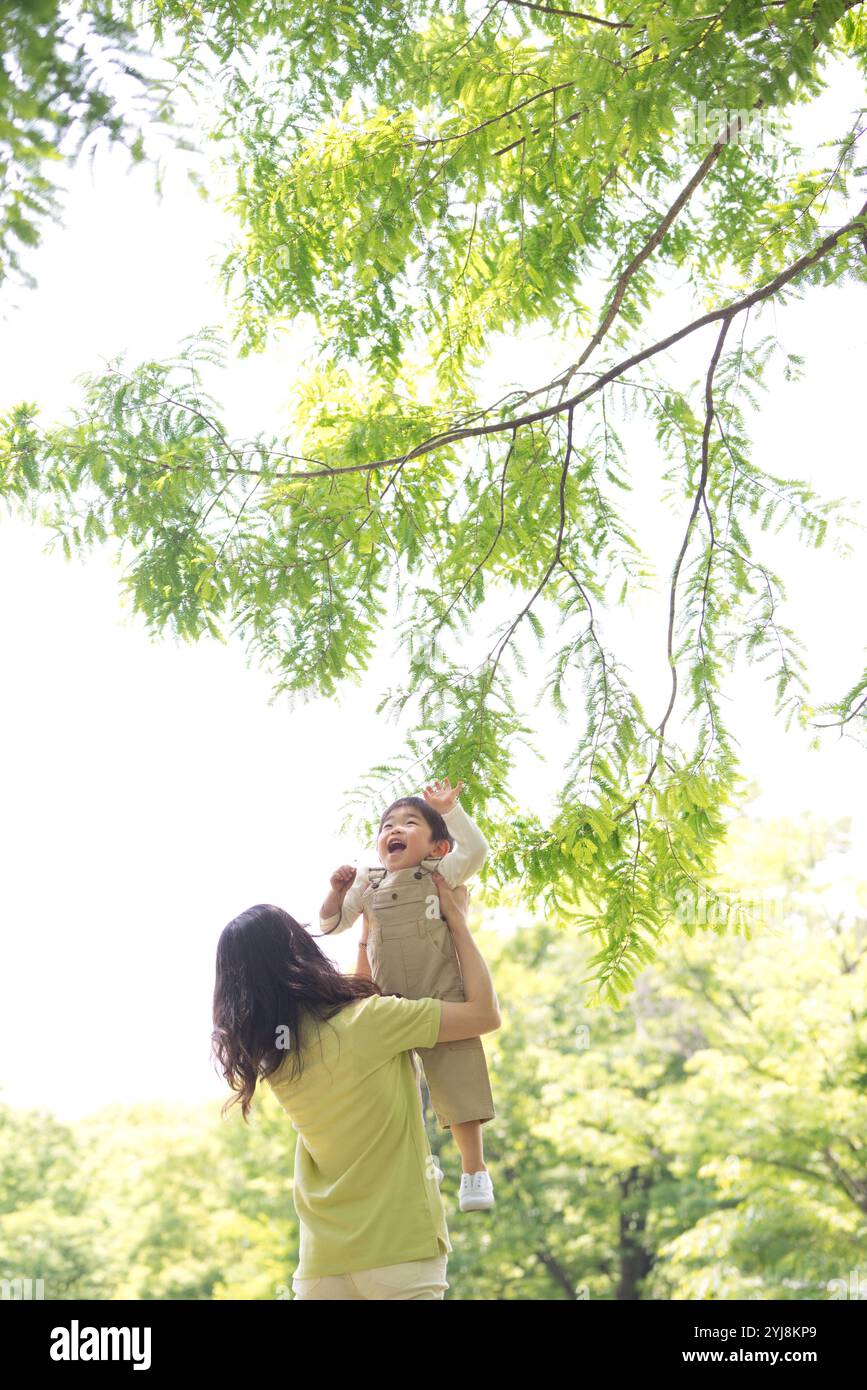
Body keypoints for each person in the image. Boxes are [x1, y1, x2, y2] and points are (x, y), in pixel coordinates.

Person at [211, 870, 501, 1300]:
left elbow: (354, 1004)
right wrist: (457, 922)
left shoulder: (276, 1058)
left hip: (321, 1266)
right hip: (399, 1250)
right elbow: (483, 1014)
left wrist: (368, 936)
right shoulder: (371, 1022)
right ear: (300, 950)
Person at [319, 776, 497, 1211]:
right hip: (389, 1000)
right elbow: (331, 925)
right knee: (390, 1087)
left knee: (458, 1075)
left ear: (438, 847)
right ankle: (414, 1163)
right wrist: (336, 892)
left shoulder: (441, 873)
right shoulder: (369, 882)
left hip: (440, 994)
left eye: (411, 823)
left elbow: (476, 851)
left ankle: (474, 1170)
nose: (395, 829)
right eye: (387, 826)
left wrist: (450, 811)